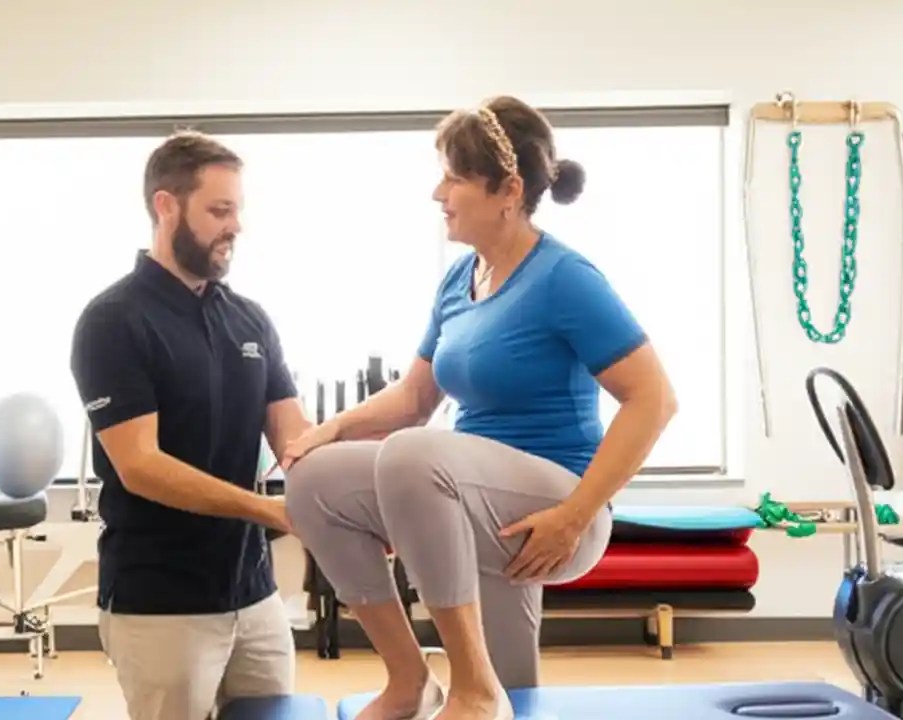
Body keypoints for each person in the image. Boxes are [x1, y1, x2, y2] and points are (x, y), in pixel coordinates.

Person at [282, 95, 678, 720]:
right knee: (314, 481)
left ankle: (473, 687)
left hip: (555, 506)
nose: (438, 192)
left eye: (454, 176)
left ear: (508, 190)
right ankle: (410, 680)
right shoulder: (459, 279)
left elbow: (654, 399)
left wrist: (576, 513)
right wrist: (329, 429)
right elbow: (414, 399)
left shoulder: (565, 277)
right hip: (467, 500)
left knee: (412, 458)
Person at [69, 130, 311, 720]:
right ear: (166, 206)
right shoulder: (113, 321)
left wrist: (353, 498)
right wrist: (270, 511)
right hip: (160, 602)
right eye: (219, 210)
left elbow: (295, 438)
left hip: (253, 593)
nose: (236, 226)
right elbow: (142, 467)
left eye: (238, 210)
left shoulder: (249, 318)